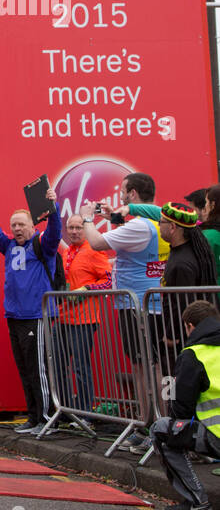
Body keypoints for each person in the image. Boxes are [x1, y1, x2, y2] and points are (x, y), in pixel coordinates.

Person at [80, 172, 164, 451]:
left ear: (134, 194)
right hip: (148, 302)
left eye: (124, 192)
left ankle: (151, 424)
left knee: (146, 368)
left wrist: (88, 219)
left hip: (138, 304)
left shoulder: (141, 225)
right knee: (152, 366)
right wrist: (117, 217)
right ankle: (152, 423)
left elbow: (98, 243)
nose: (122, 197)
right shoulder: (156, 219)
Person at [0, 178, 61, 433]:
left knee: (38, 371)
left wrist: (53, 209)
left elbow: (55, 232)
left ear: (32, 226)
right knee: (25, 370)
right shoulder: (10, 246)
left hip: (37, 315)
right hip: (14, 316)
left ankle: (46, 420)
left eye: (22, 224)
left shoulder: (42, 246)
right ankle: (33, 417)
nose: (17, 229)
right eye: (14, 225)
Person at [150, 300, 220, 510]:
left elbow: (181, 409)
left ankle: (197, 503)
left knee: (162, 430)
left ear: (190, 326)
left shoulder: (193, 354)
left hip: (217, 434)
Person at [55, 215, 112, 414]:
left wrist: (87, 289)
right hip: (62, 318)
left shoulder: (94, 251)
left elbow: (109, 280)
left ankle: (85, 412)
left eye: (79, 227)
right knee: (59, 366)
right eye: (70, 228)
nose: (74, 231)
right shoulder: (67, 252)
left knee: (80, 368)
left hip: (84, 320)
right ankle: (65, 410)